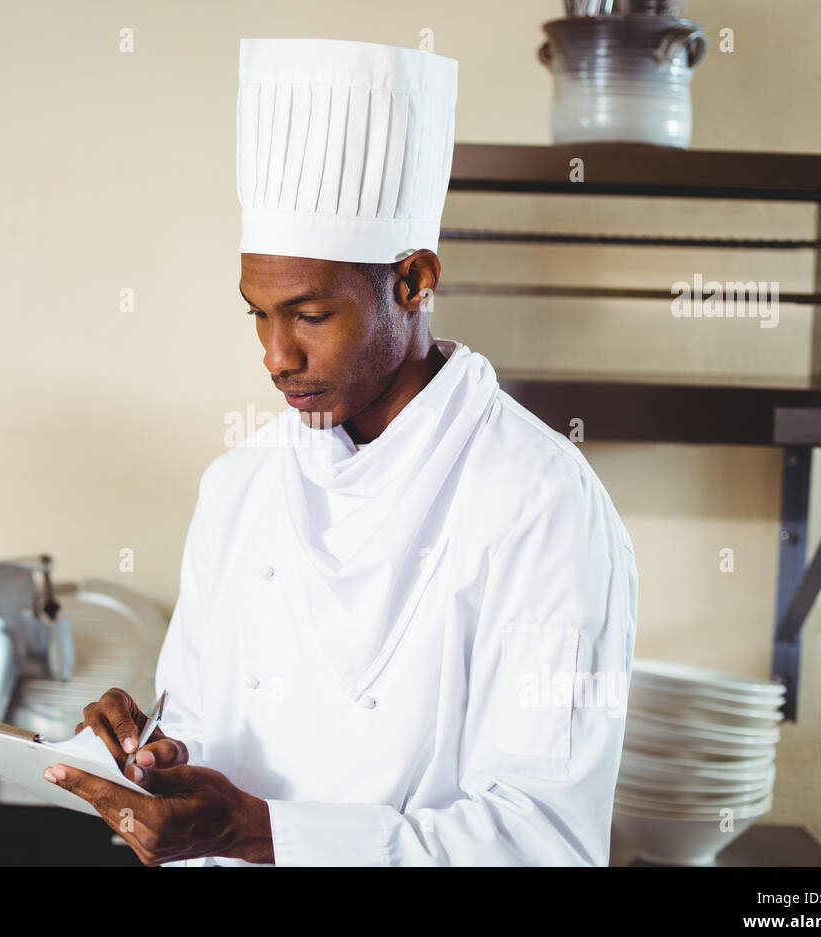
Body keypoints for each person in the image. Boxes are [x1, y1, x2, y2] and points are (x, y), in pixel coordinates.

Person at [44, 36, 638, 866]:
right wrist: (146, 754)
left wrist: (266, 834)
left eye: (310, 315)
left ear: (414, 281)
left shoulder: (538, 499)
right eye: (257, 313)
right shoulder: (240, 484)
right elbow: (208, 740)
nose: (275, 356)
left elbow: (544, 839)